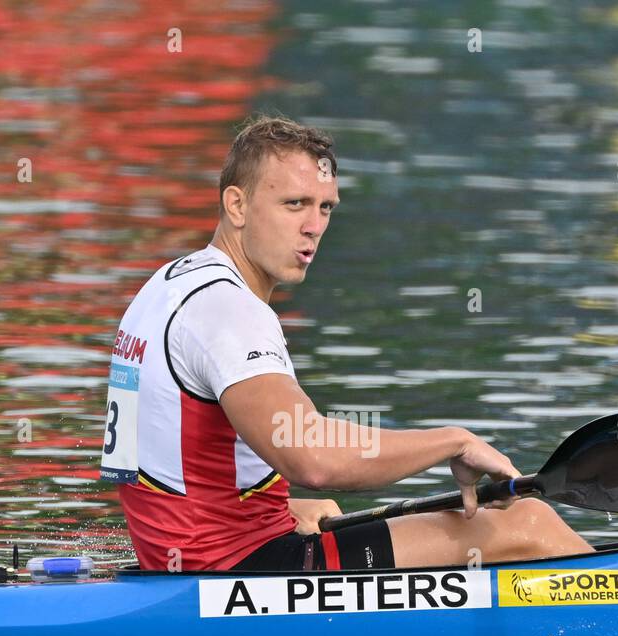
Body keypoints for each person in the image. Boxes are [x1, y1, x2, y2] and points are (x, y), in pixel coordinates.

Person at [102, 114, 591, 572]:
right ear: (237, 205)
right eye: (294, 204)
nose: (313, 226)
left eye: (325, 207)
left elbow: (157, 465)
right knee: (528, 524)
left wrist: (278, 504)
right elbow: (311, 456)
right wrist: (453, 442)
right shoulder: (230, 311)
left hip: (182, 558)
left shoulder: (166, 286)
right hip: (240, 571)